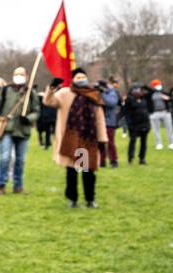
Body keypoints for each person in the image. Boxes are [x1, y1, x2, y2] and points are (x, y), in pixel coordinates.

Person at [48, 68, 107, 208]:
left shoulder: (93, 95)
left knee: (88, 171)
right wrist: (51, 88)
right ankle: (72, 199)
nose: (81, 79)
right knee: (72, 171)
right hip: (71, 139)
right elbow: (49, 102)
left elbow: (99, 118)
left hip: (87, 139)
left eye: (83, 77)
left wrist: (102, 138)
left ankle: (90, 199)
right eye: (78, 77)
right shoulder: (64, 93)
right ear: (73, 79)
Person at [0, 66, 39, 195]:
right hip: (7, 129)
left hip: (23, 131)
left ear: (26, 77)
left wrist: (28, 118)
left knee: (20, 160)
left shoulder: (31, 93)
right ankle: (1, 185)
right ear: (13, 75)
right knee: (5, 158)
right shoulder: (6, 90)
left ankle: (18, 186)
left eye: (22, 74)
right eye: (17, 74)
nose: (19, 76)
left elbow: (37, 111)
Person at [121, 84, 151, 165]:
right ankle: (130, 158)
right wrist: (129, 124)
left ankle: (142, 158)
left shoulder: (144, 99)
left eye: (140, 90)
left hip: (145, 123)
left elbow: (151, 92)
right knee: (132, 142)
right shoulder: (129, 100)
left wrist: (145, 87)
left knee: (144, 142)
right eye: (137, 90)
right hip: (134, 125)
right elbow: (126, 113)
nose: (139, 92)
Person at [147, 79, 173, 150]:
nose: (158, 86)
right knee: (156, 129)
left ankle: (172, 143)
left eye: (159, 84)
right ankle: (159, 144)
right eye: (156, 85)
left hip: (165, 112)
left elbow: (172, 99)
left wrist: (168, 98)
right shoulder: (150, 94)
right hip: (155, 113)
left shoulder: (163, 92)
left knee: (169, 128)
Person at [99, 77, 122, 168]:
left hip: (109, 121)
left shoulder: (112, 92)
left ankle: (113, 160)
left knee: (110, 142)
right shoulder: (99, 92)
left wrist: (102, 93)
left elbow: (111, 103)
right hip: (100, 121)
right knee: (100, 142)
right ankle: (102, 161)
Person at [37, 78, 61, 149]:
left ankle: (55, 144)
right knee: (48, 132)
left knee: (55, 132)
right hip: (48, 116)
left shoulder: (57, 96)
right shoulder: (44, 97)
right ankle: (47, 144)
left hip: (53, 116)